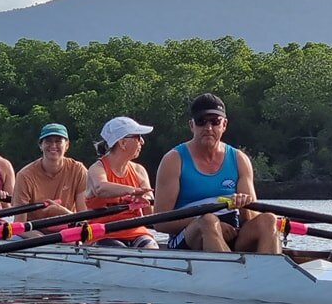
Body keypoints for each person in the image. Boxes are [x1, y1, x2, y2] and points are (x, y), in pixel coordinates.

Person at [154, 93, 280, 253]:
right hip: (190, 234)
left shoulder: (239, 159)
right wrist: (211, 224)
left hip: (233, 231)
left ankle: (271, 273)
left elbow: (250, 219)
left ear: (224, 124)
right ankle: (229, 273)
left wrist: (243, 206)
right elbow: (160, 223)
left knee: (269, 220)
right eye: (201, 122)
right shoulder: (173, 160)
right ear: (192, 125)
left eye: (215, 122)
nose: (208, 128)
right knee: (208, 221)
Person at [85, 116, 158, 248]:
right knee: (118, 251)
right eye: (138, 137)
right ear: (123, 143)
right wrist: (132, 191)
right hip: (104, 233)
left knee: (151, 248)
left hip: (136, 232)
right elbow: (100, 188)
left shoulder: (139, 170)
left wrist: (146, 200)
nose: (142, 142)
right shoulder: (97, 168)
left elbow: (150, 213)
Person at [12, 123, 89, 232]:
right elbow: (19, 225)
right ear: (40, 145)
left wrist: (63, 212)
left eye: (58, 141)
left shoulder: (78, 170)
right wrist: (42, 242)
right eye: (48, 141)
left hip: (68, 233)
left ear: (67, 145)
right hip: (33, 234)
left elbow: (84, 220)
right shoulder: (24, 175)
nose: (53, 145)